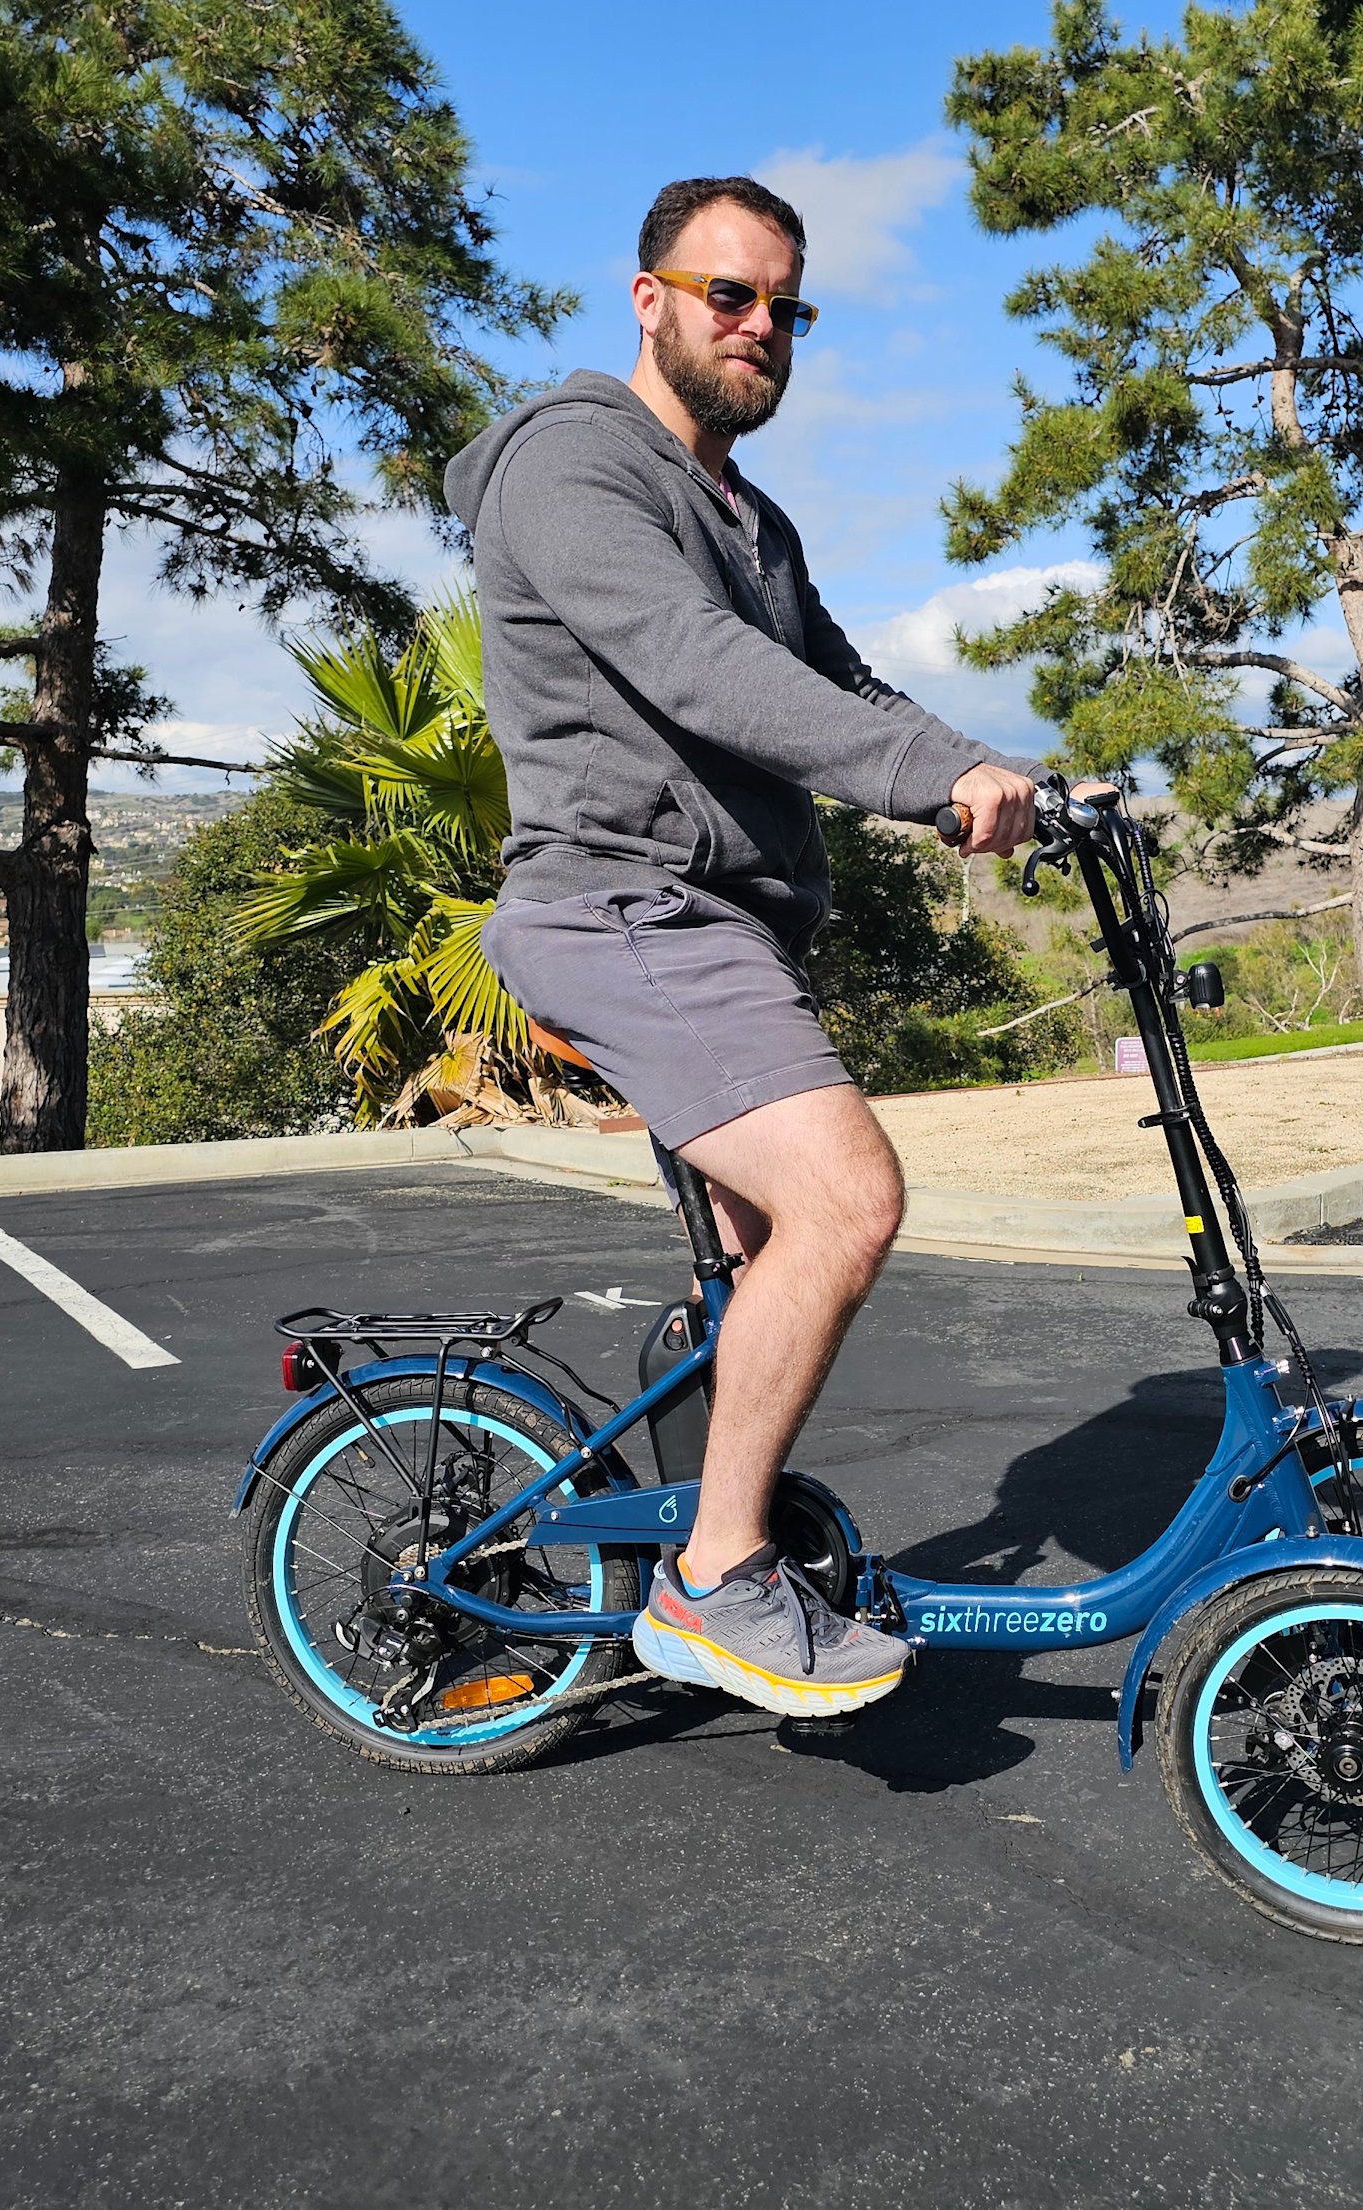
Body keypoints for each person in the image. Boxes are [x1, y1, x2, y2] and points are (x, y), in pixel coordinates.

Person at [443, 175, 1043, 1719]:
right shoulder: (574, 465)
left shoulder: (749, 516)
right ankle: (715, 1578)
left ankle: (710, 1509)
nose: (762, 327)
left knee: (763, 1257)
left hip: (714, 921)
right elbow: (697, 669)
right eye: (732, 296)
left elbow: (846, 685)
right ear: (650, 300)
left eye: (788, 307)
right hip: (623, 905)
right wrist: (927, 782)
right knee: (849, 1196)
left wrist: (1013, 772)